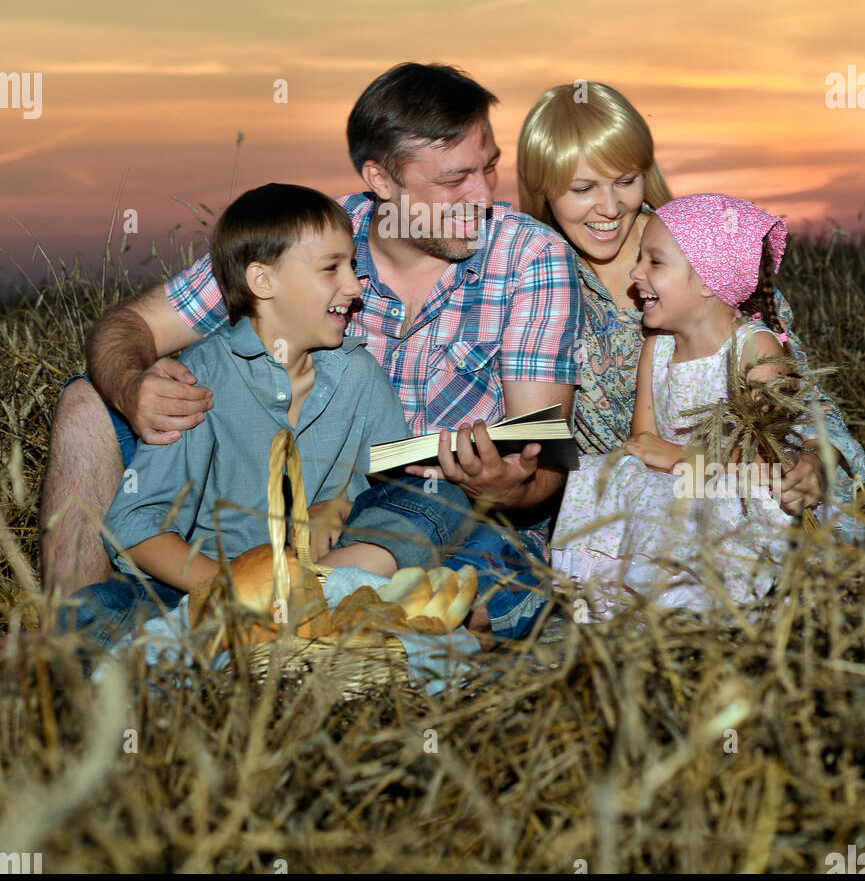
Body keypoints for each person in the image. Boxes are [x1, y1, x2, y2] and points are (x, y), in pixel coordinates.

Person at [42, 64, 582, 639]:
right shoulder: (308, 238)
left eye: (491, 167)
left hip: (437, 509)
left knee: (458, 541)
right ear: (380, 177)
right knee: (85, 402)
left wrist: (505, 483)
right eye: (455, 180)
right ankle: (65, 645)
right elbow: (130, 326)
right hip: (273, 503)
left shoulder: (529, 256)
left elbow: (542, 460)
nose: (483, 194)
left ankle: (240, 623)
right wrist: (131, 389)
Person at [59, 184, 478, 647]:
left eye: (353, 267)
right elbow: (137, 528)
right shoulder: (197, 381)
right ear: (262, 282)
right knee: (91, 615)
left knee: (443, 496)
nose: (356, 286)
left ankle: (310, 600)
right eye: (331, 268)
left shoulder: (359, 372)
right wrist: (232, 587)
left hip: (333, 567)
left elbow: (395, 486)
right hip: (208, 586)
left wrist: (337, 506)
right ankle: (280, 620)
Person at [517, 81, 865, 517]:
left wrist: (817, 461)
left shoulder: (711, 254)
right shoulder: (532, 284)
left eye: (626, 181)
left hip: (752, 497)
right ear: (542, 187)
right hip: (629, 515)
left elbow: (808, 405)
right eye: (582, 189)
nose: (608, 207)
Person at [550, 194, 857, 616]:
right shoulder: (656, 348)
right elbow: (642, 439)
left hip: (737, 486)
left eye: (654, 262)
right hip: (680, 482)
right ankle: (618, 592)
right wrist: (660, 458)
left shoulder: (754, 349)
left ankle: (700, 599)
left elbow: (762, 460)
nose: (636, 273)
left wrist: (678, 458)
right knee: (597, 471)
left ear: (709, 279)